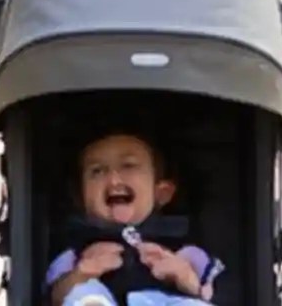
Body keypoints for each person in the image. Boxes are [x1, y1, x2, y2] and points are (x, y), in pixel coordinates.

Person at [46, 130, 223, 305]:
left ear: (162, 193)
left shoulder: (183, 247)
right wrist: (82, 273)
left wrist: (185, 276)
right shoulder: (77, 250)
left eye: (128, 166)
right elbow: (53, 298)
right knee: (83, 294)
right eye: (97, 171)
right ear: (81, 198)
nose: (114, 180)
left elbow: (215, 293)